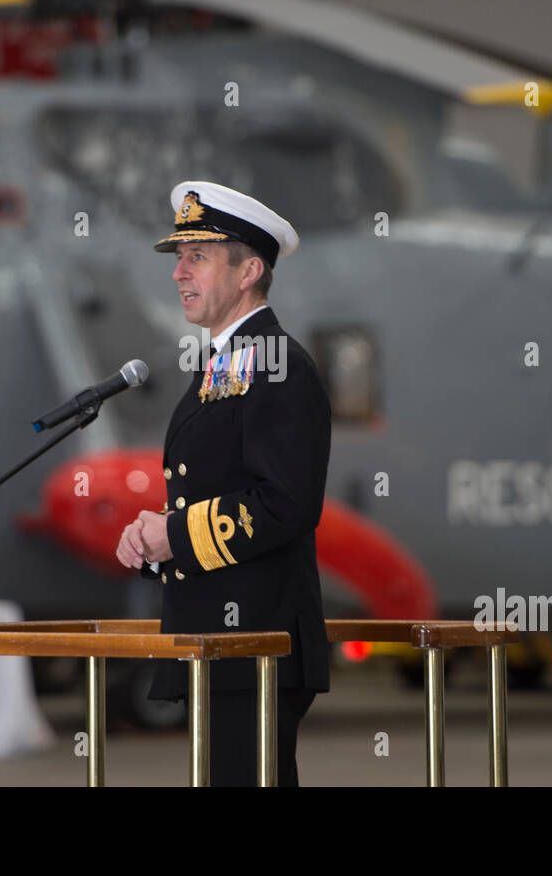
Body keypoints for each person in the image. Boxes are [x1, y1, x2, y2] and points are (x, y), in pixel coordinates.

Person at [116, 180, 332, 786]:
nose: (179, 273)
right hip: (219, 640)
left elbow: (286, 503)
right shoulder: (226, 364)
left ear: (248, 271)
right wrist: (152, 544)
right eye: (179, 258)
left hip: (255, 643)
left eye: (198, 257)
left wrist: (176, 537)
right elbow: (210, 491)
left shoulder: (278, 365)